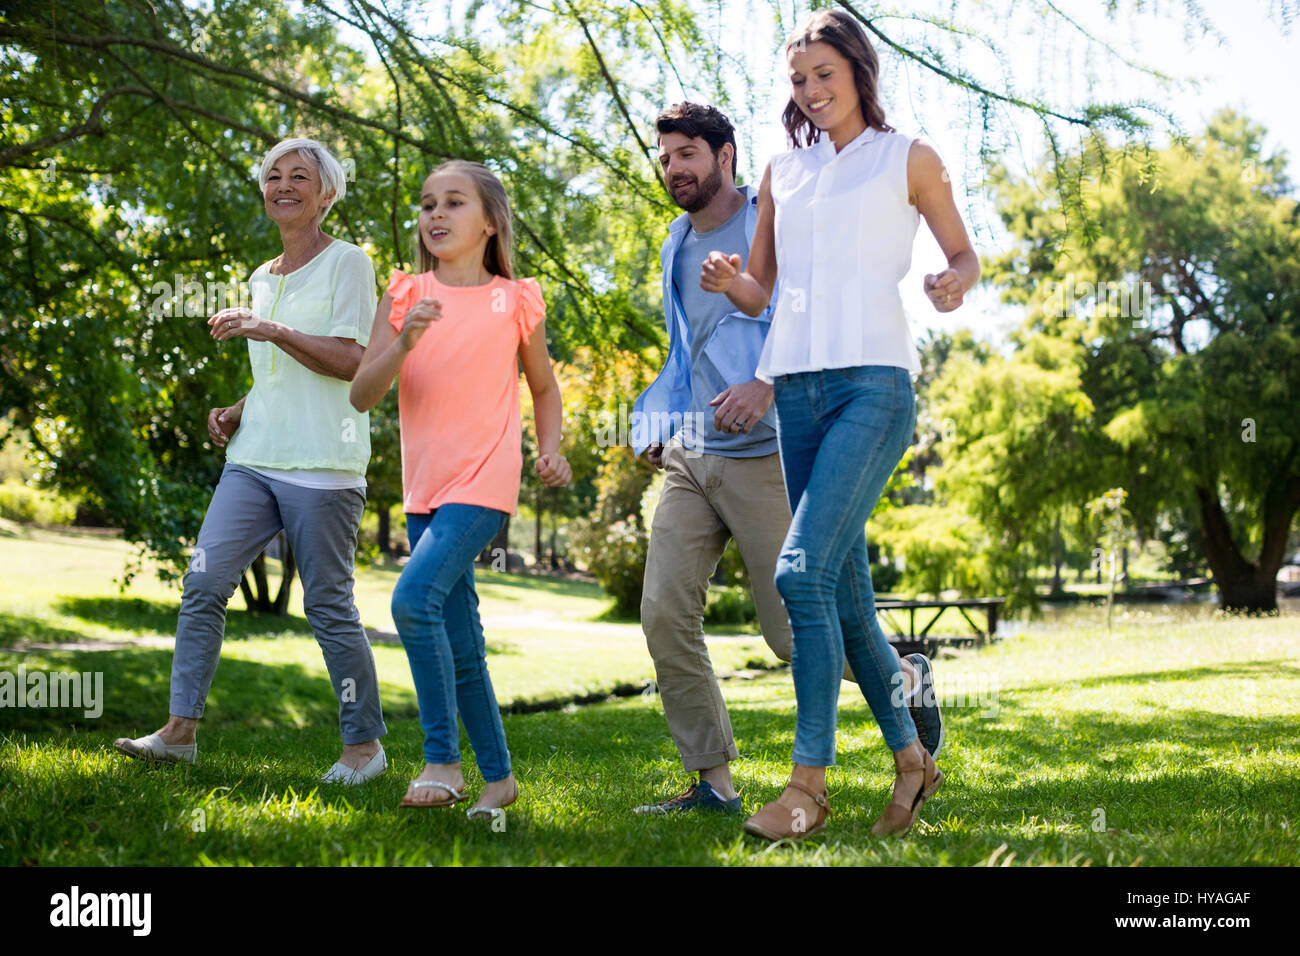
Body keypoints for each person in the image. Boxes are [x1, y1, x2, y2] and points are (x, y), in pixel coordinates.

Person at [702, 9, 977, 840]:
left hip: (874, 387)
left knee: (797, 575)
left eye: (825, 73)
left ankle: (806, 788)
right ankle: (910, 762)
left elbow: (963, 254)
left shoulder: (909, 158)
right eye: (798, 80)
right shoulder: (784, 172)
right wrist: (728, 282)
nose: (812, 90)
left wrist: (951, 283)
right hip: (798, 394)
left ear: (859, 71)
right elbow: (765, 290)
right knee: (848, 597)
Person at [630, 103, 937, 816]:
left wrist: (767, 385)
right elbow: (687, 354)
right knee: (663, 614)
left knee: (793, 635)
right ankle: (712, 783)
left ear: (725, 156)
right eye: (667, 156)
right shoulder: (676, 242)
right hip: (693, 457)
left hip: (771, 454)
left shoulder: (776, 215)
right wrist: (660, 423)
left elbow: (804, 313)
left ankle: (904, 680)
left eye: (688, 154)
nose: (675, 167)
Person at [114, 138, 388, 784]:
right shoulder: (261, 277)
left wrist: (271, 331)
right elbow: (281, 375)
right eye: (273, 176)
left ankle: (364, 749)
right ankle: (180, 732)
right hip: (254, 458)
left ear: (327, 195)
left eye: (300, 176)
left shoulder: (350, 263)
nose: (283, 185)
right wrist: (239, 407)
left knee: (328, 605)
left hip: (323, 464)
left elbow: (353, 362)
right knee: (204, 583)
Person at [349, 160, 570, 816]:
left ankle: (442, 760)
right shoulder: (405, 293)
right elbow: (364, 393)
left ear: (491, 223)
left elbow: (545, 386)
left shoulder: (517, 299)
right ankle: (498, 779)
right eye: (426, 204)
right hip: (425, 489)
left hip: (485, 480)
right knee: (462, 640)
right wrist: (405, 339)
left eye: (453, 203)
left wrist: (550, 449)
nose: (435, 215)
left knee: (413, 600)